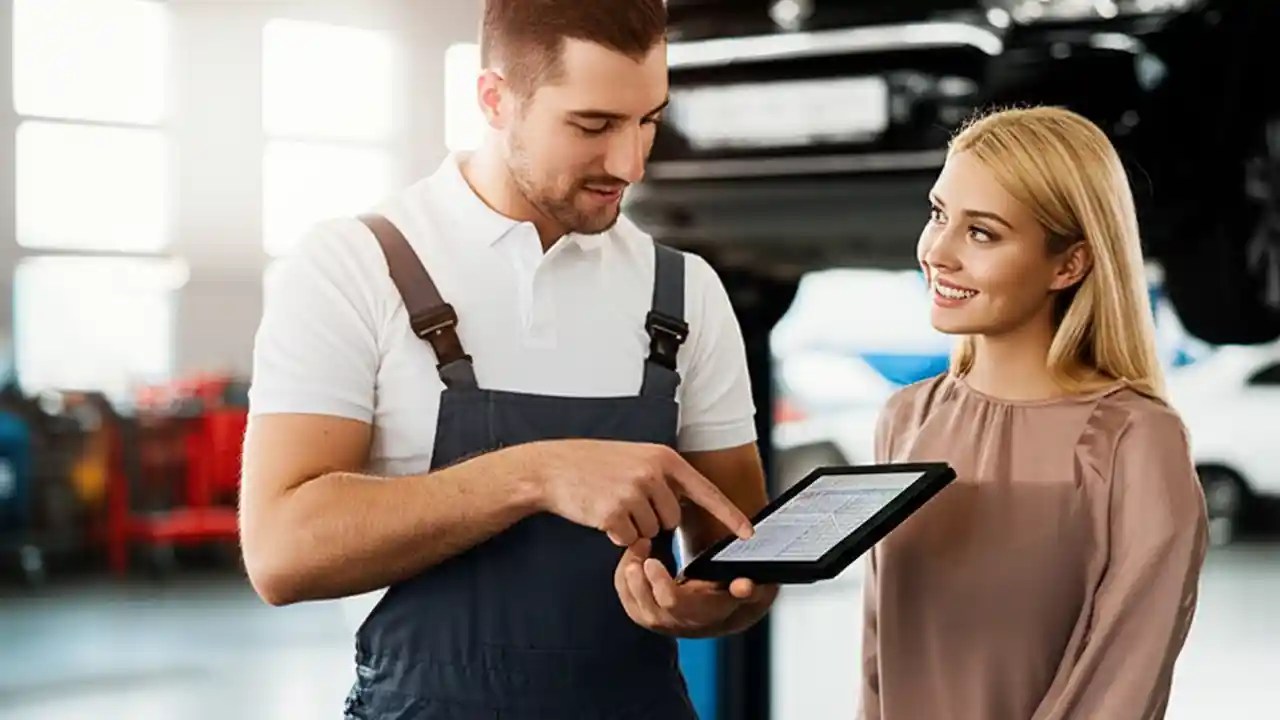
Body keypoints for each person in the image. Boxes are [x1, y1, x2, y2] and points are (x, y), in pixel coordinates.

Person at [238, 1, 778, 717]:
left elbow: (745, 560)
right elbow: (280, 553)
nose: (631, 163)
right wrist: (538, 474)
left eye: (648, 119)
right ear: (494, 99)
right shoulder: (354, 266)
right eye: (593, 125)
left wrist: (714, 606)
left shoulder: (685, 291)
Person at [860, 107, 1209, 720]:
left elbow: (1123, 681)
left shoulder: (1134, 440)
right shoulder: (905, 419)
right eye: (939, 214)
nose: (938, 252)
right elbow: (877, 665)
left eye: (982, 233)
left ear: (1069, 264)